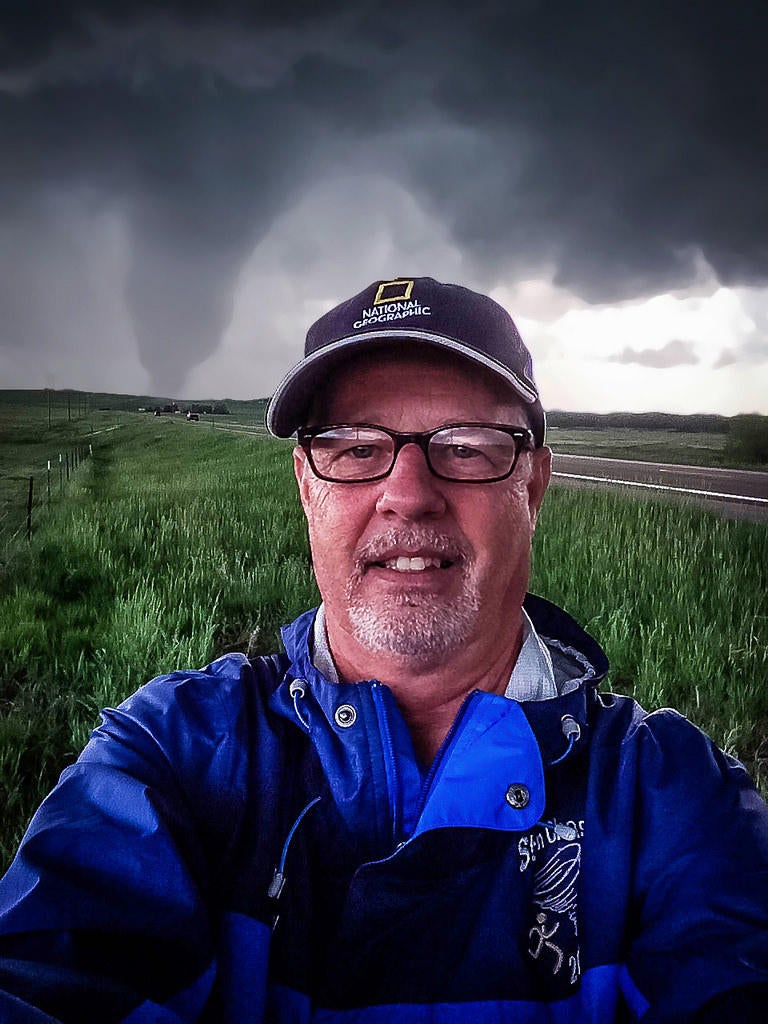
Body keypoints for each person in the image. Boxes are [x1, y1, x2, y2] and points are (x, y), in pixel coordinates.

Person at [0, 277, 767, 1023]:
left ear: (531, 485)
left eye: (466, 447)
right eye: (355, 447)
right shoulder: (174, 752)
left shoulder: (670, 798)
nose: (407, 492)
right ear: (306, 485)